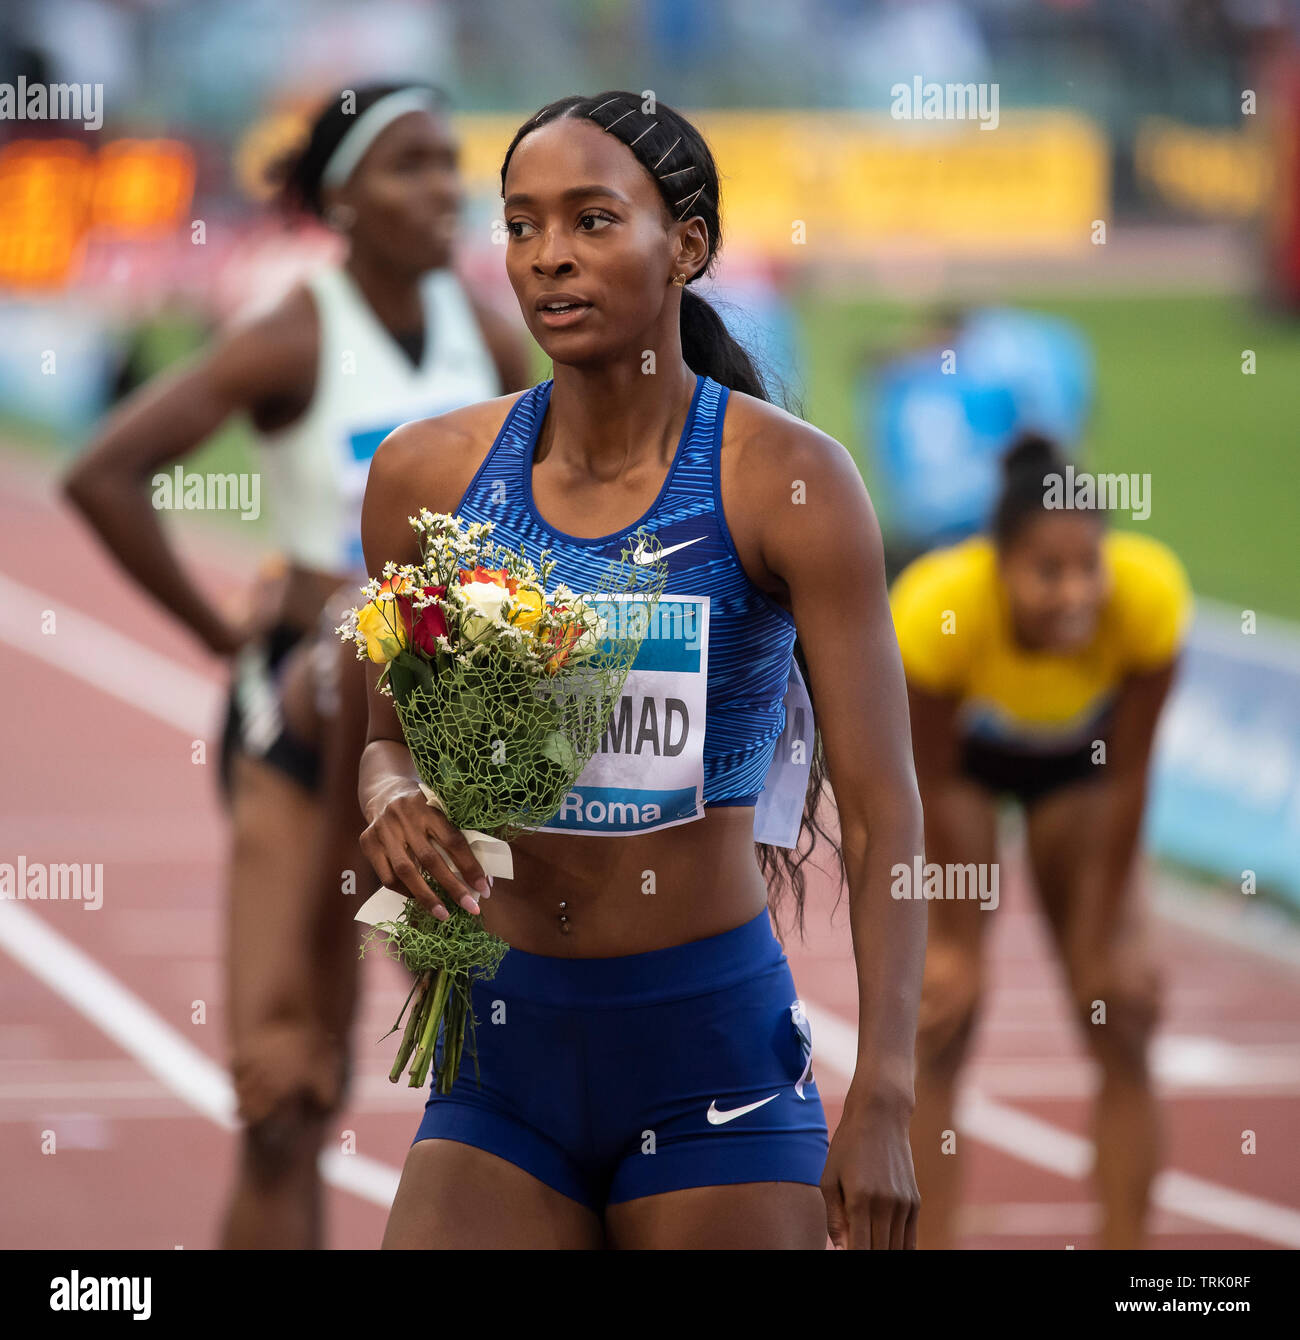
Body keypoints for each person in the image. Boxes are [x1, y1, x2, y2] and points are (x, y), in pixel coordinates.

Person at [356, 91, 926, 1250]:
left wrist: (889, 1089)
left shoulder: (790, 484)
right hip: (503, 1048)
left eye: (592, 220)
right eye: (519, 225)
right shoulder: (426, 478)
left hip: (708, 1052)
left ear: (689, 247)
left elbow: (881, 811)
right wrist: (390, 798)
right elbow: (384, 740)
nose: (548, 256)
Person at [61, 81, 531, 1248]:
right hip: (308, 724)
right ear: (341, 196)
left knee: (508, 1087)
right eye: (409, 164)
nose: (443, 186)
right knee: (287, 1090)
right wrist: (228, 635)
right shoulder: (297, 329)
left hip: (463, 732)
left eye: (447, 162)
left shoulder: (486, 328)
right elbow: (103, 472)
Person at [892, 434, 1193, 1248]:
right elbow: (930, 780)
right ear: (999, 566)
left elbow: (1129, 777)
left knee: (1121, 1010)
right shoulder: (936, 611)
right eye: (1047, 572)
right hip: (965, 776)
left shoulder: (1149, 600)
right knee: (943, 1018)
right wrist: (955, 943)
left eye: (1087, 566)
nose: (1074, 593)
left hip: (1081, 772)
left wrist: (1101, 940)